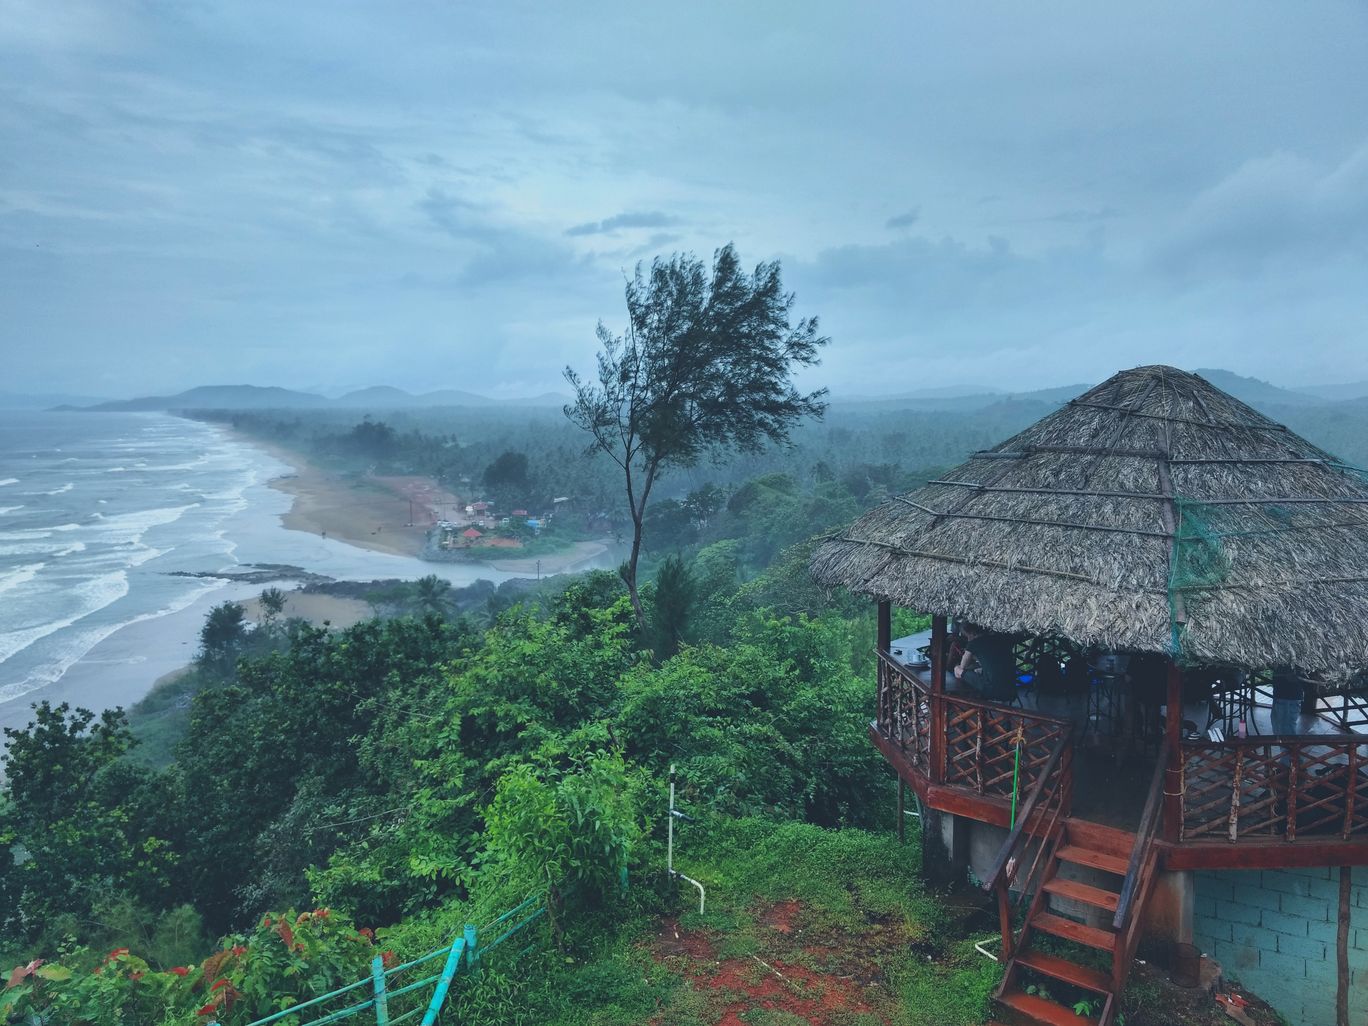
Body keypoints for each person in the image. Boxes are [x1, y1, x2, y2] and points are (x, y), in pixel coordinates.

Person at [954, 623, 1017, 702]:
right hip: (1012, 690)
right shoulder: (1001, 639)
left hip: (992, 690)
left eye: (966, 635)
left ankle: (963, 701)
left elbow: (962, 667)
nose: (967, 639)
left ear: (972, 633)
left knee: (957, 669)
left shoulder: (973, 643)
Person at [1269, 667, 1304, 736]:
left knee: (1285, 729)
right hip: (1281, 696)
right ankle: (1286, 746)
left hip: (1287, 697)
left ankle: (1288, 746)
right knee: (1279, 726)